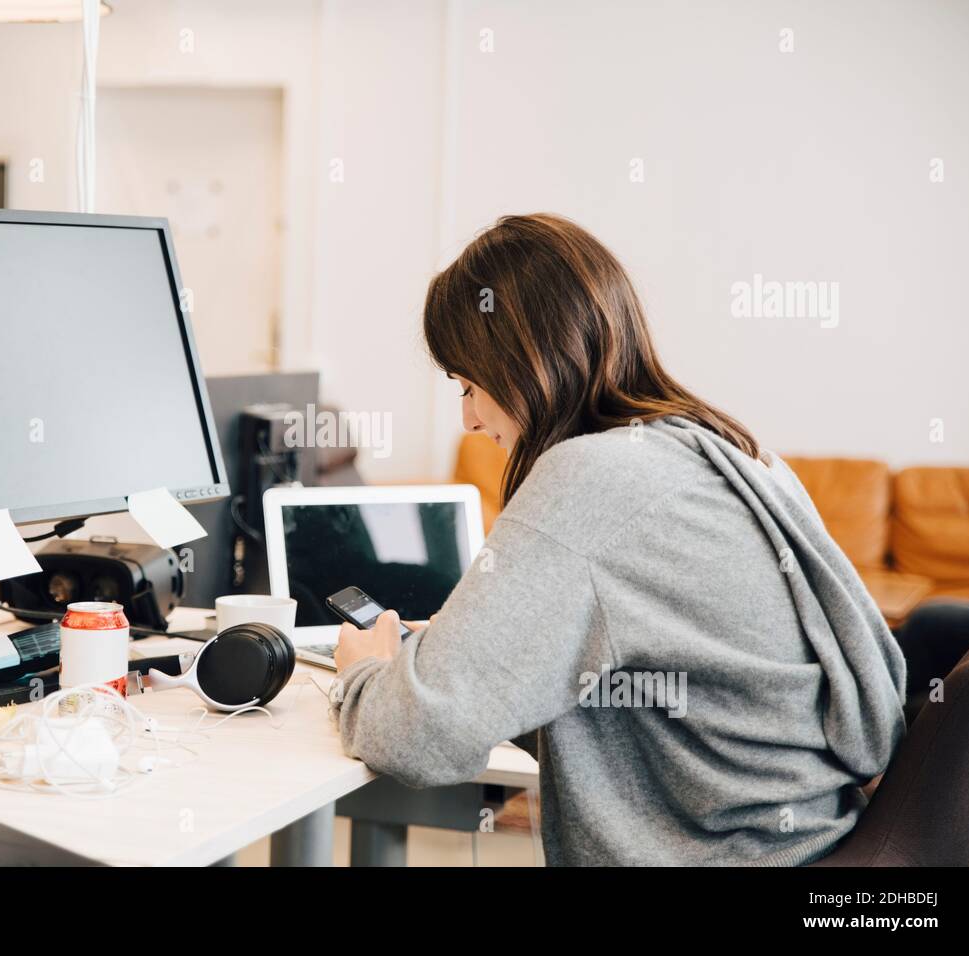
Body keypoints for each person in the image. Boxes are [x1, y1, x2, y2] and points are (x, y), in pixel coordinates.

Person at [330, 214, 906, 866]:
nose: (467, 418)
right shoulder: (732, 450)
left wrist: (363, 673)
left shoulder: (594, 477)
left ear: (523, 362)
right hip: (810, 842)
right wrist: (485, 652)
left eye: (469, 385)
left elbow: (415, 735)